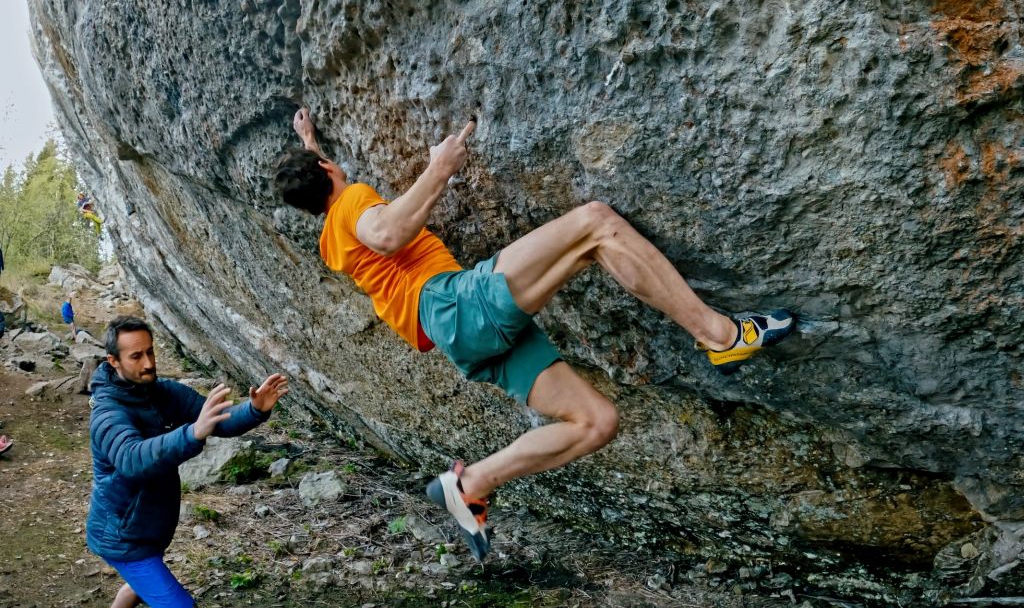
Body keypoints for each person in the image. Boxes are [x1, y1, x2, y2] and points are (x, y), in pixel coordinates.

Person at [274, 108, 796, 560]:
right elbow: (386, 232)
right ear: (330, 172)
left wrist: (309, 144)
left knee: (596, 421)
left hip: (456, 338)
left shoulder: (329, 235)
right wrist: (439, 168)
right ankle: (722, 336)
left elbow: (332, 200)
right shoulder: (352, 203)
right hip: (452, 304)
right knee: (595, 222)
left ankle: (471, 482)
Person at [87, 316, 289, 607]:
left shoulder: (163, 392)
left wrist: (254, 409)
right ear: (113, 361)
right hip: (122, 536)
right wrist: (191, 433)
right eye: (136, 356)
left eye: (150, 351)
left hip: (149, 527)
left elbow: (215, 420)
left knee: (137, 586)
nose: (148, 363)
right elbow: (132, 459)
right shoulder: (107, 413)